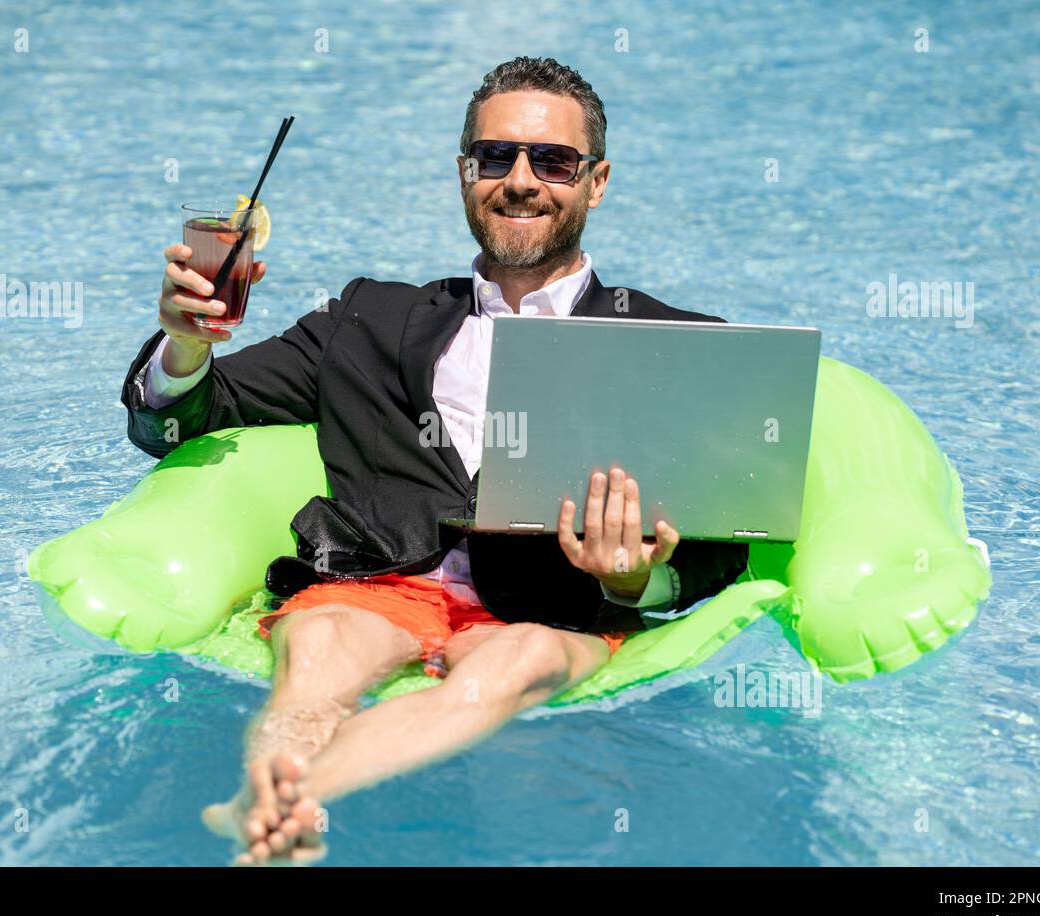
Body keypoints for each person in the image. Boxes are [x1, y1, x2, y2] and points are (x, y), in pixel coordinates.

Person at [120, 56, 748, 864]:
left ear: (596, 182)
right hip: (374, 585)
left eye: (551, 161)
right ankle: (271, 800)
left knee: (515, 661)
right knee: (321, 649)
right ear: (464, 173)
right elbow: (185, 420)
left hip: (546, 609)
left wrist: (633, 578)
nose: (520, 180)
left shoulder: (677, 345)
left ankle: (282, 805)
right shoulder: (366, 318)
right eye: (495, 157)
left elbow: (724, 547)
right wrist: (182, 341)